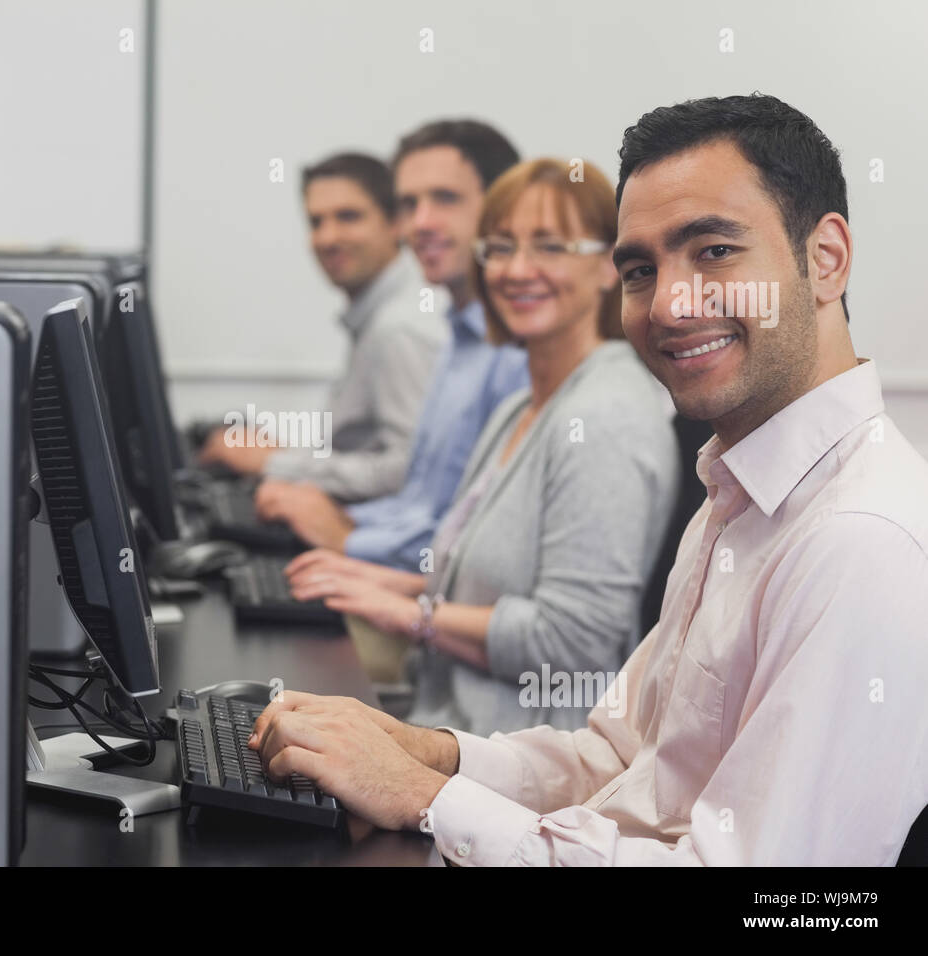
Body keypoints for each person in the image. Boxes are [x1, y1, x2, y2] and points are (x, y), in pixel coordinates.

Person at [248, 93, 928, 865]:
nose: (669, 303)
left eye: (713, 251)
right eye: (641, 268)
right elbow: (618, 757)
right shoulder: (734, 498)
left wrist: (427, 801)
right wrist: (431, 755)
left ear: (826, 258)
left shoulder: (860, 542)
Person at [285, 158, 678, 737]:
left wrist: (409, 614)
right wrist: (384, 585)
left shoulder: (604, 417)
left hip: (524, 761)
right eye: (499, 247)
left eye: (549, 246)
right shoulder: (523, 406)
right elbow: (493, 581)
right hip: (451, 720)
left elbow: (571, 643)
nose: (517, 269)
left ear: (605, 266)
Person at [254, 120, 529, 560]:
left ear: (505, 208)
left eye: (445, 198)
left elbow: (491, 551)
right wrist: (342, 522)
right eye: (408, 204)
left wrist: (347, 537)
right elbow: (425, 507)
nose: (420, 223)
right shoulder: (460, 337)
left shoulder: (514, 352)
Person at [196, 153, 445, 502]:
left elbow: (407, 470)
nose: (328, 238)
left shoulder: (399, 327)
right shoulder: (378, 315)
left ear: (396, 223)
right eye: (316, 222)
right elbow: (362, 443)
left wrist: (274, 462)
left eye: (348, 217)